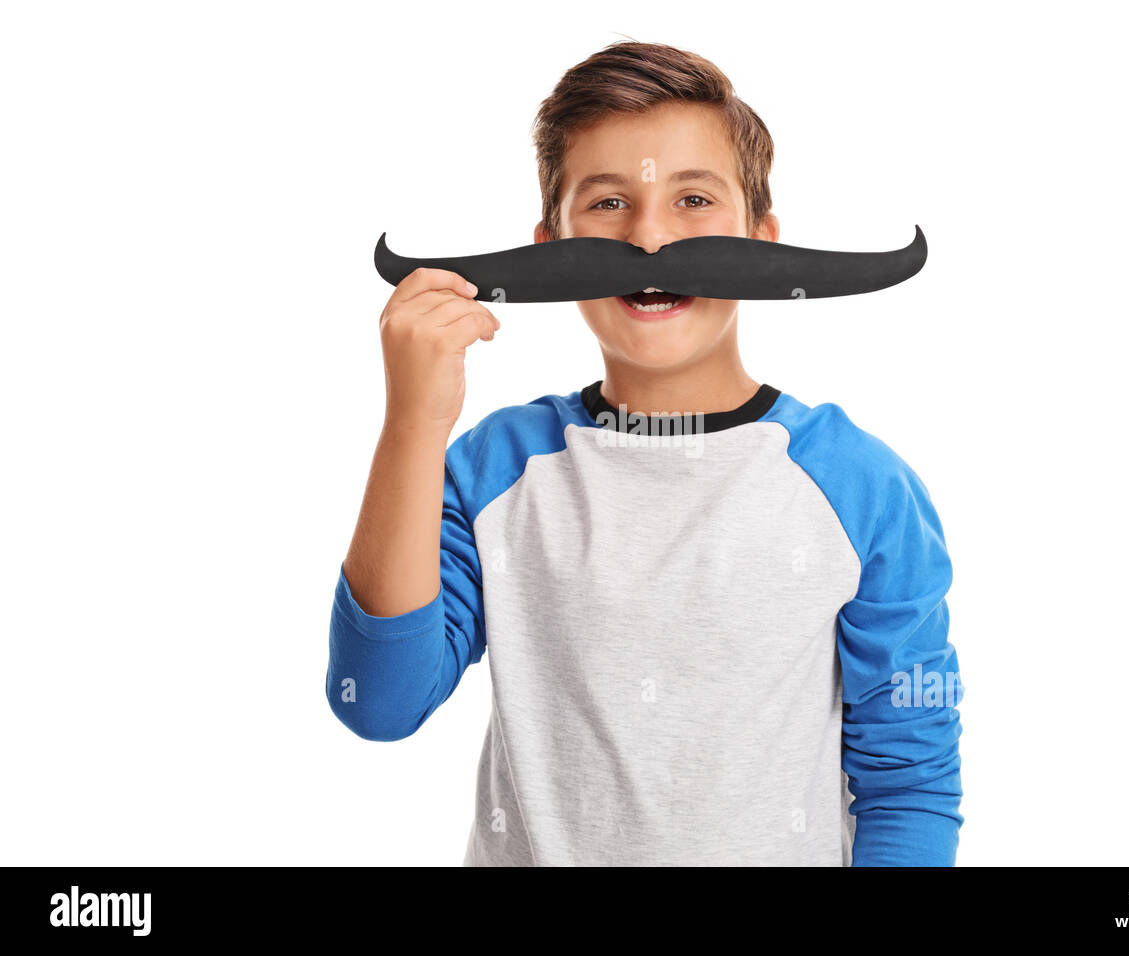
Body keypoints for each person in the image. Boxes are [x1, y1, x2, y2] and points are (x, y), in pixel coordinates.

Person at [326, 40, 964, 866]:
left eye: (694, 198)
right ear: (549, 245)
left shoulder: (863, 487)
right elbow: (378, 702)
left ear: (762, 238)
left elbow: (908, 779)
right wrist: (414, 423)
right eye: (608, 203)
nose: (651, 238)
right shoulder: (492, 472)